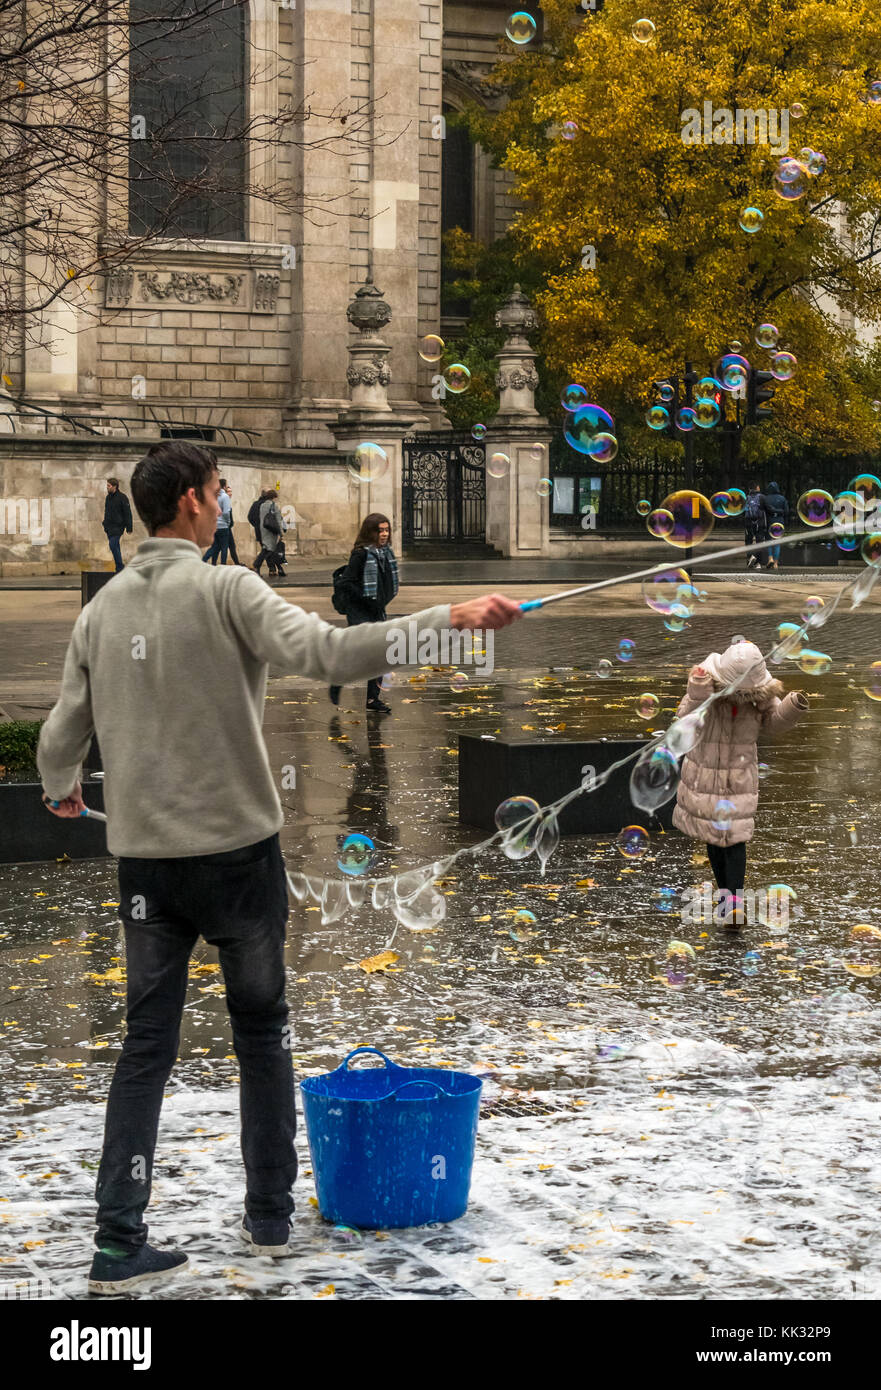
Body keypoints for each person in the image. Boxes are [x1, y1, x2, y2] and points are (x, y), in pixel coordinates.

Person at [35, 439, 522, 1295]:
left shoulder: (101, 609)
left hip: (146, 863)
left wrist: (62, 792)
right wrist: (447, 621)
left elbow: (58, 740)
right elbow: (333, 657)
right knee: (261, 1032)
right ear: (190, 500)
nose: (224, 503)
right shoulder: (229, 588)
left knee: (145, 1046)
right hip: (236, 859)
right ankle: (268, 1215)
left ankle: (117, 1239)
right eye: (219, 491)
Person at [672, 639, 808, 927]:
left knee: (735, 839)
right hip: (705, 776)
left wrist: (791, 707)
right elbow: (685, 716)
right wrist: (697, 688)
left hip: (738, 778)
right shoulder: (707, 687)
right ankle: (726, 896)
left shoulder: (758, 695)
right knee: (713, 837)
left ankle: (734, 902)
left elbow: (773, 723)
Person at [329, 513, 399, 714]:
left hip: (376, 609)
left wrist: (380, 601)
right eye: (380, 530)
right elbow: (346, 582)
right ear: (371, 532)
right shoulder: (361, 554)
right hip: (359, 610)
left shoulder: (386, 553)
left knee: (379, 654)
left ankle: (372, 699)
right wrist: (366, 597)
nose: (384, 534)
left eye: (386, 530)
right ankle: (337, 680)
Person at [102, 478, 133, 572]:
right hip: (109, 527)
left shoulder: (122, 497)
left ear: (114, 486)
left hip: (118, 527)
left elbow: (127, 512)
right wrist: (105, 524)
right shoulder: (108, 498)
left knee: (112, 545)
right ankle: (119, 568)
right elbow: (106, 511)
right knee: (116, 547)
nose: (107, 487)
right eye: (107, 485)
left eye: (109, 485)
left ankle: (120, 567)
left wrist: (129, 527)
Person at [202, 476, 232, 564]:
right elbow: (226, 512)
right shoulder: (225, 496)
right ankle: (223, 565)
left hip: (215, 525)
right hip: (223, 525)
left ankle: (208, 561)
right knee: (224, 547)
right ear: (224, 486)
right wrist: (228, 522)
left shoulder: (214, 496)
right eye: (226, 485)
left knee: (215, 546)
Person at [258, 488, 287, 578]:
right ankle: (257, 565)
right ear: (274, 497)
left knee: (270, 550)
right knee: (271, 551)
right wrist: (281, 533)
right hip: (272, 532)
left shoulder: (262, 506)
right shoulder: (274, 506)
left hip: (263, 531)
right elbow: (278, 521)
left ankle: (275, 569)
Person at [744, 482, 770, 570]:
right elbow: (768, 509)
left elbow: (743, 511)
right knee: (759, 542)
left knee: (748, 542)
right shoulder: (762, 497)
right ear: (757, 488)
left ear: (749, 489)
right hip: (760, 523)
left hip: (748, 523)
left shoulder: (746, 498)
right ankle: (758, 563)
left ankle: (750, 558)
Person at [764, 481, 789, 570]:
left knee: (769, 541)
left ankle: (770, 558)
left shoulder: (766, 498)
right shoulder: (782, 498)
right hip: (779, 522)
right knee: (777, 543)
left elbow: (765, 511)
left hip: (770, 521)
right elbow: (786, 512)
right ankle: (775, 563)